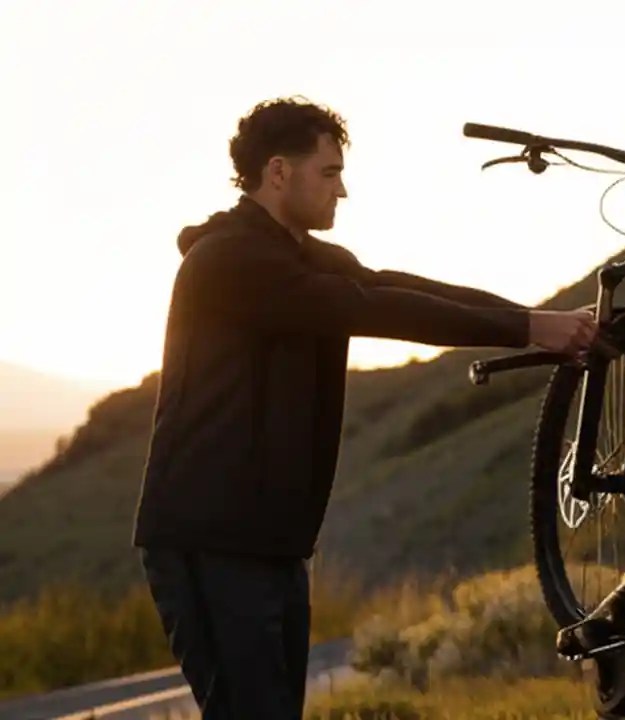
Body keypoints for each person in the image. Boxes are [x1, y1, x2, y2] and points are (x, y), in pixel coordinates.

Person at [131, 96, 597, 719]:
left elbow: (397, 288)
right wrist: (529, 329)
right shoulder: (230, 261)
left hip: (269, 541)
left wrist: (536, 320)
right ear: (277, 173)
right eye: (329, 173)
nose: (342, 191)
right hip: (210, 539)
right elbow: (373, 309)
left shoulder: (299, 254)